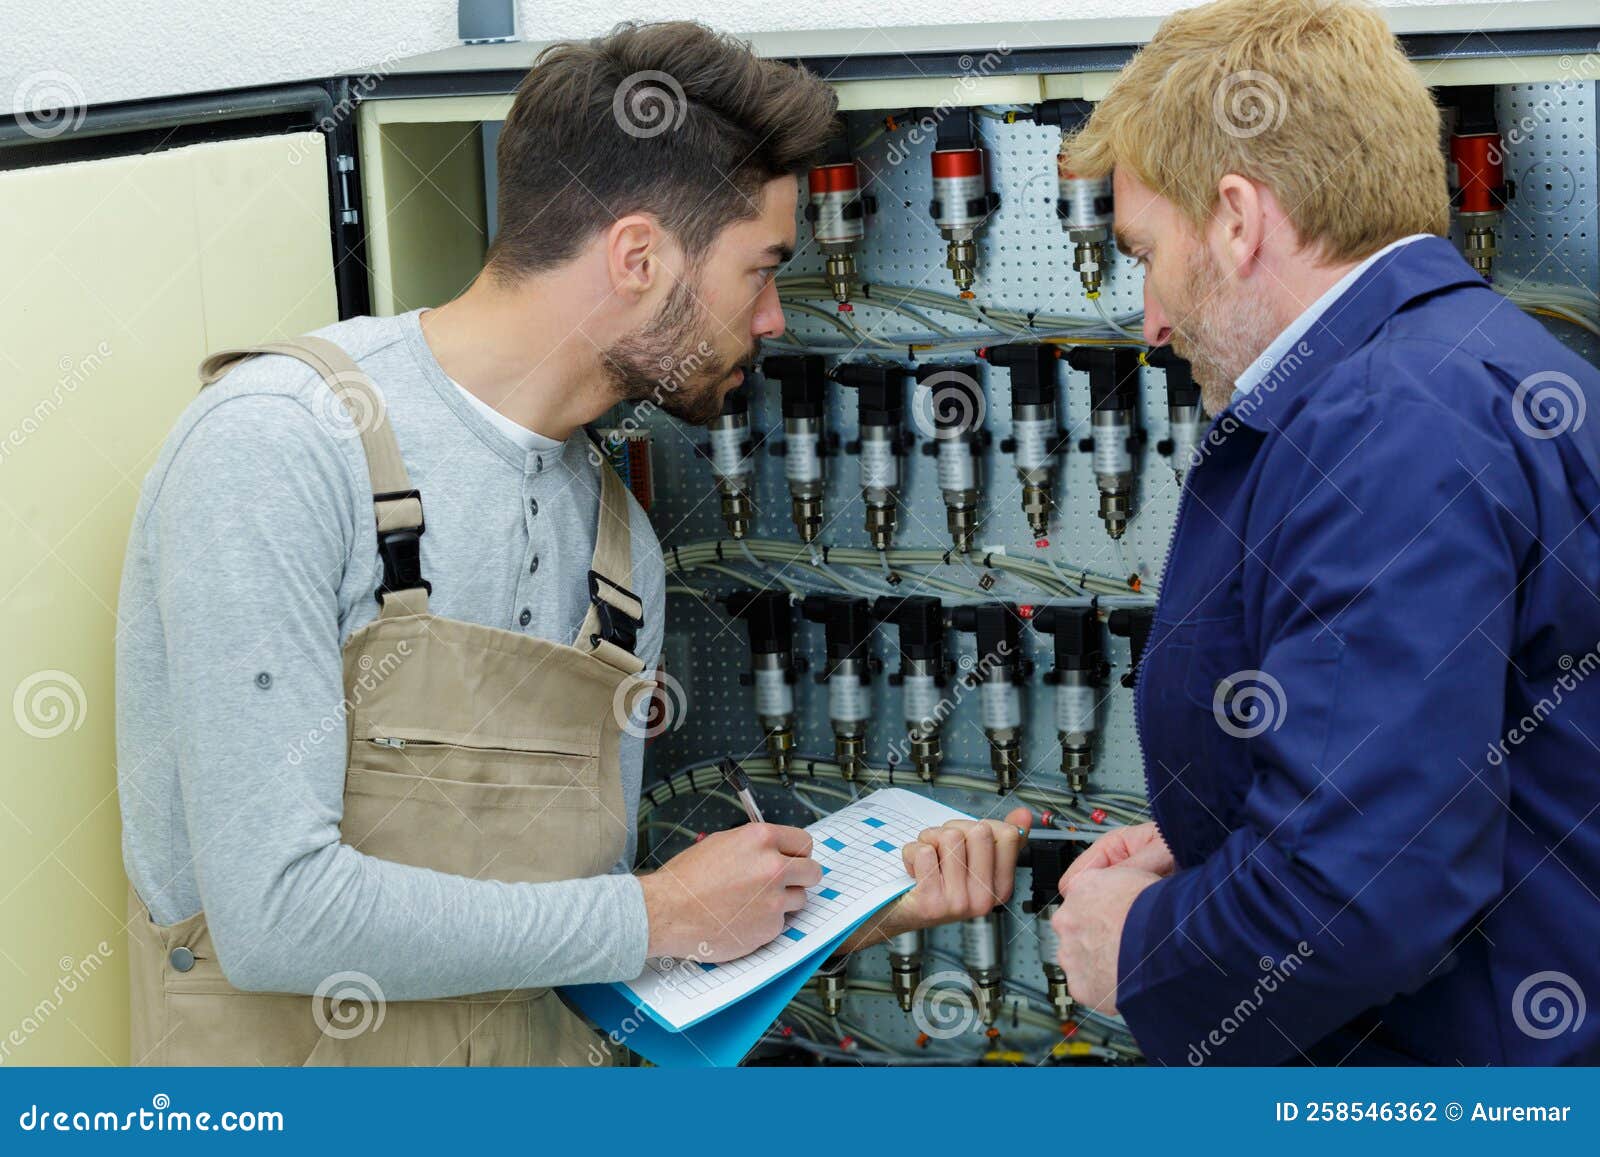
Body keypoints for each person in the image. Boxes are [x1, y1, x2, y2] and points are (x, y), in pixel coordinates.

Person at [116, 20, 1025, 1067]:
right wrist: (662, 913)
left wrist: (818, 915)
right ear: (639, 255)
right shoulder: (282, 443)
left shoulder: (614, 544)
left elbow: (579, 948)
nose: (774, 318)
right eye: (761, 269)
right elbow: (275, 913)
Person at [1049, 0, 1600, 1064]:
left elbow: (1366, 877)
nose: (1151, 322)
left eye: (1146, 251)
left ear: (1238, 219)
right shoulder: (1483, 363)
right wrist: (1223, 836)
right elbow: (1441, 770)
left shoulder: (1388, 422)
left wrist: (1144, 948)